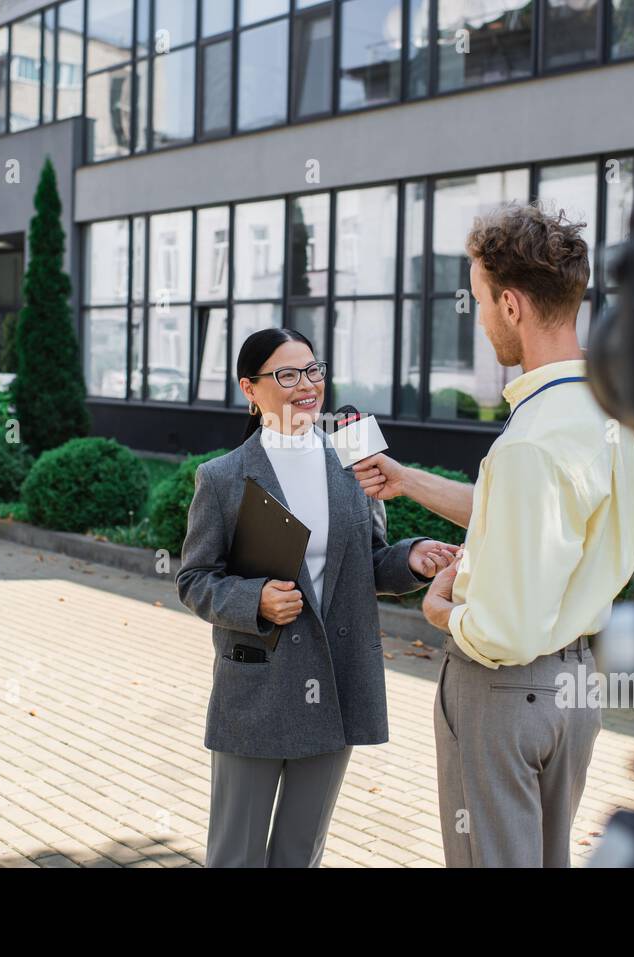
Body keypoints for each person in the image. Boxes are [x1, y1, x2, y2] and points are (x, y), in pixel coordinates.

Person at [353, 203, 634, 867]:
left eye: (479, 299)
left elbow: (504, 631)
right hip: (573, 688)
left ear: (511, 305)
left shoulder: (529, 443)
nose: (479, 318)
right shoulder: (605, 412)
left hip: (503, 692)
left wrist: (442, 610)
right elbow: (525, 514)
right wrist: (407, 481)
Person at [177, 327, 459, 868]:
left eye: (312, 370)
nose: (305, 385)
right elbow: (194, 579)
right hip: (258, 682)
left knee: (301, 852)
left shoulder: (353, 462)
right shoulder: (222, 477)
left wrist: (413, 557)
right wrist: (255, 599)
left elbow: (368, 562)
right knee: (236, 853)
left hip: (335, 680)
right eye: (285, 374)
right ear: (250, 389)